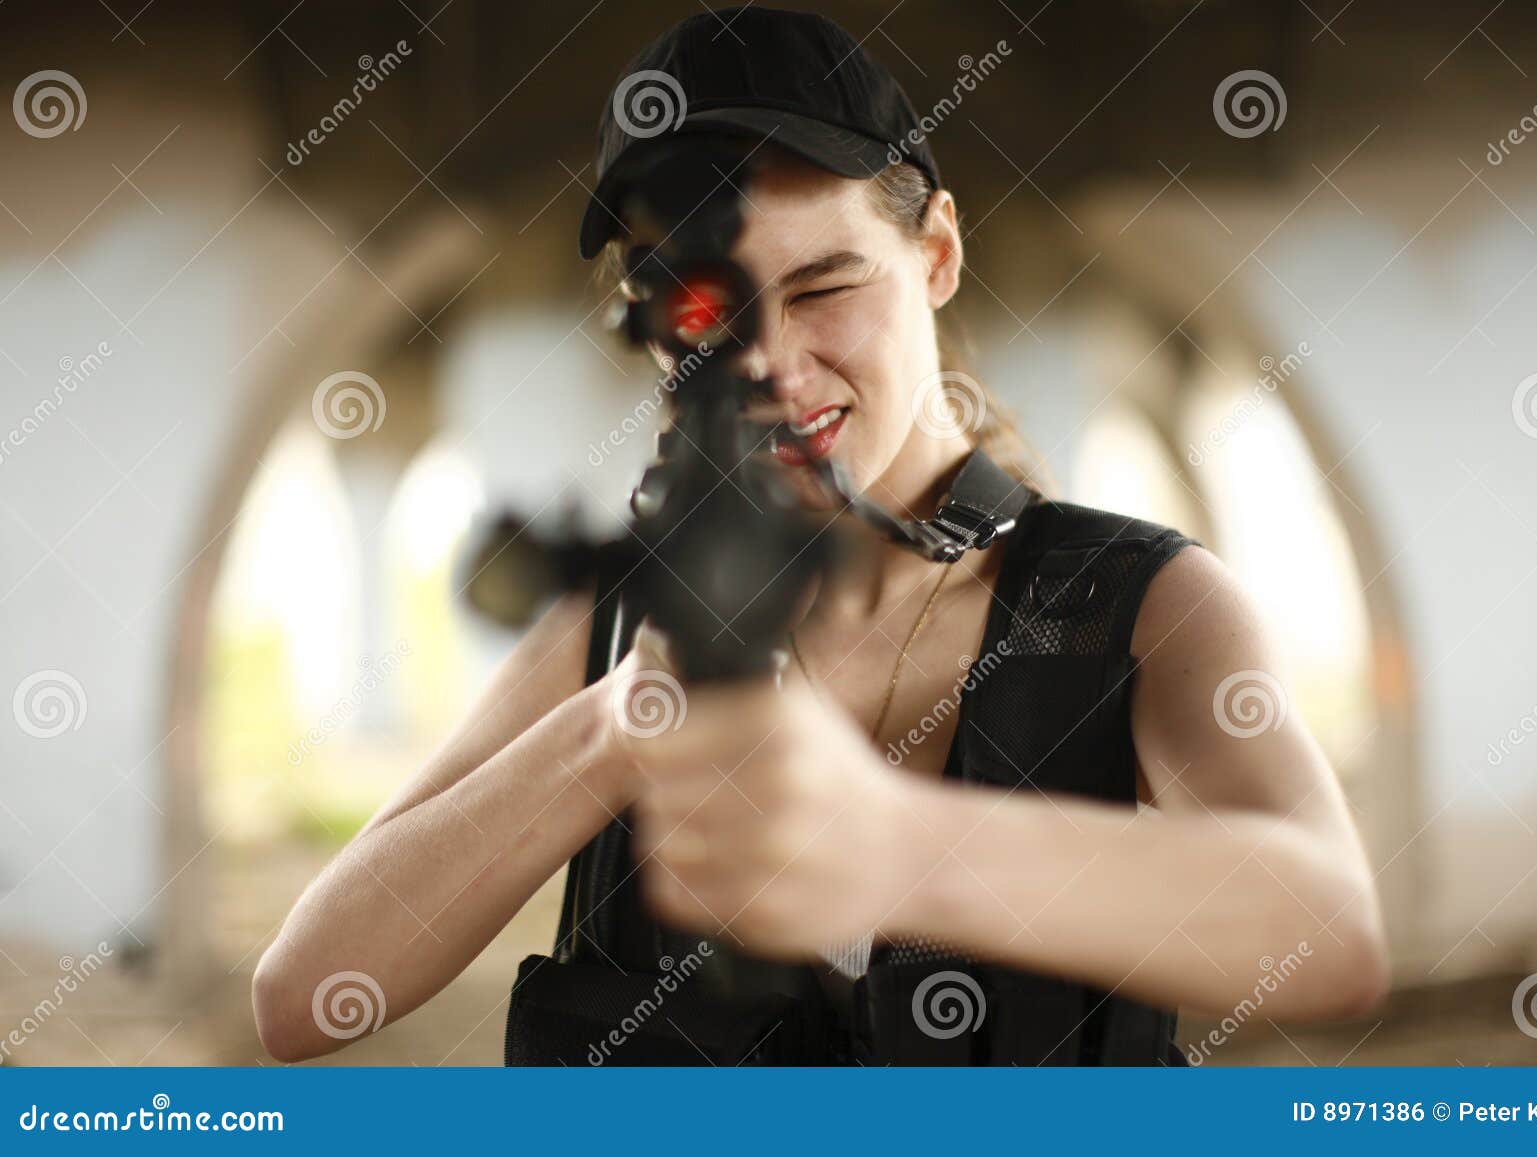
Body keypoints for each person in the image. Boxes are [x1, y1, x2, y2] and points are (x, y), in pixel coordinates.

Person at [252, 5, 1388, 1066]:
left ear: (937, 250)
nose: (769, 366)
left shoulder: (1135, 601)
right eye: (704, 312)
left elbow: (1331, 935)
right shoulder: (612, 630)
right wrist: (613, 731)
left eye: (822, 287)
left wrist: (896, 844)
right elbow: (304, 992)